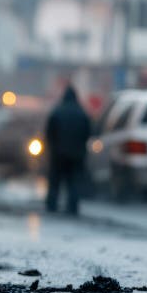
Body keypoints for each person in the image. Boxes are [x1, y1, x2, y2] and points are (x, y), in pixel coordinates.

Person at [45, 85, 91, 215]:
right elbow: (88, 133)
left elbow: (49, 133)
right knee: (74, 181)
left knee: (55, 181)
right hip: (77, 155)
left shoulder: (57, 112)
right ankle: (72, 206)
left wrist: (53, 147)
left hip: (58, 154)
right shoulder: (82, 114)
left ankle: (52, 205)